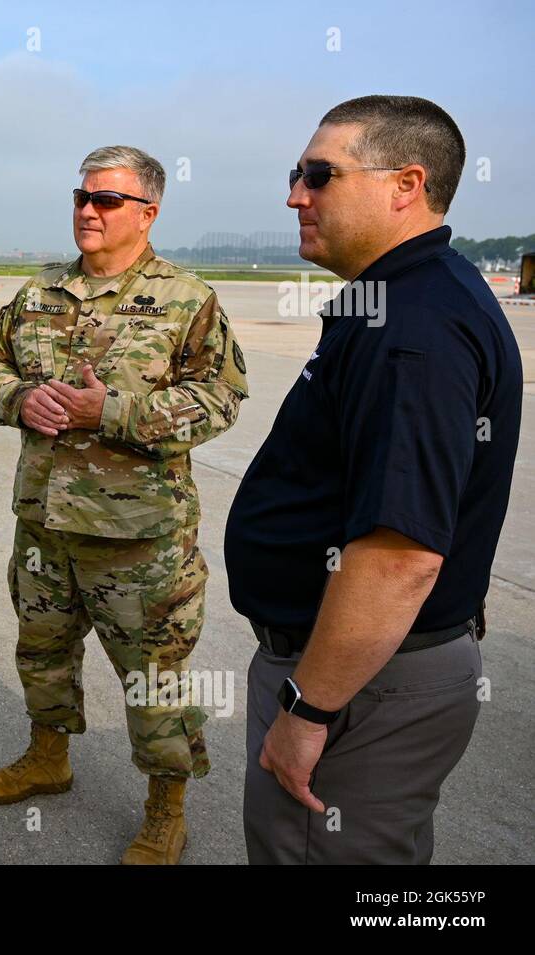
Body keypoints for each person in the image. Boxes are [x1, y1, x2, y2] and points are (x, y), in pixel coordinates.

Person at [224, 95, 521, 864]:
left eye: (319, 175)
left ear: (405, 184)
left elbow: (399, 556)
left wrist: (309, 707)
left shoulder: (414, 327)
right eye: (297, 174)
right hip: (370, 674)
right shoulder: (405, 297)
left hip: (362, 687)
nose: (296, 195)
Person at [0, 146, 248, 864]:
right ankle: (47, 757)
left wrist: (114, 413)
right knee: (42, 654)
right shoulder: (38, 293)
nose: (88, 210)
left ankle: (166, 808)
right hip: (43, 524)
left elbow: (222, 399)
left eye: (108, 200)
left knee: (153, 677)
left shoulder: (186, 300)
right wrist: (17, 397)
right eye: (81, 196)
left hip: (138, 539)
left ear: (149, 212)